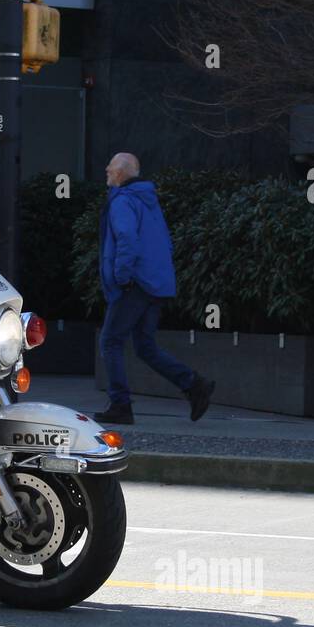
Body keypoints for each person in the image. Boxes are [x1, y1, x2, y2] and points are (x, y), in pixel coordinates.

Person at [97, 152, 214, 425]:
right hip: (155, 284)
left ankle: (120, 404)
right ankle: (194, 384)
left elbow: (127, 239)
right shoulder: (148, 201)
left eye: (111, 166)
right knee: (145, 346)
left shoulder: (123, 201)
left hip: (134, 284)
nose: (106, 169)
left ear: (122, 173)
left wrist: (122, 277)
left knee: (111, 341)